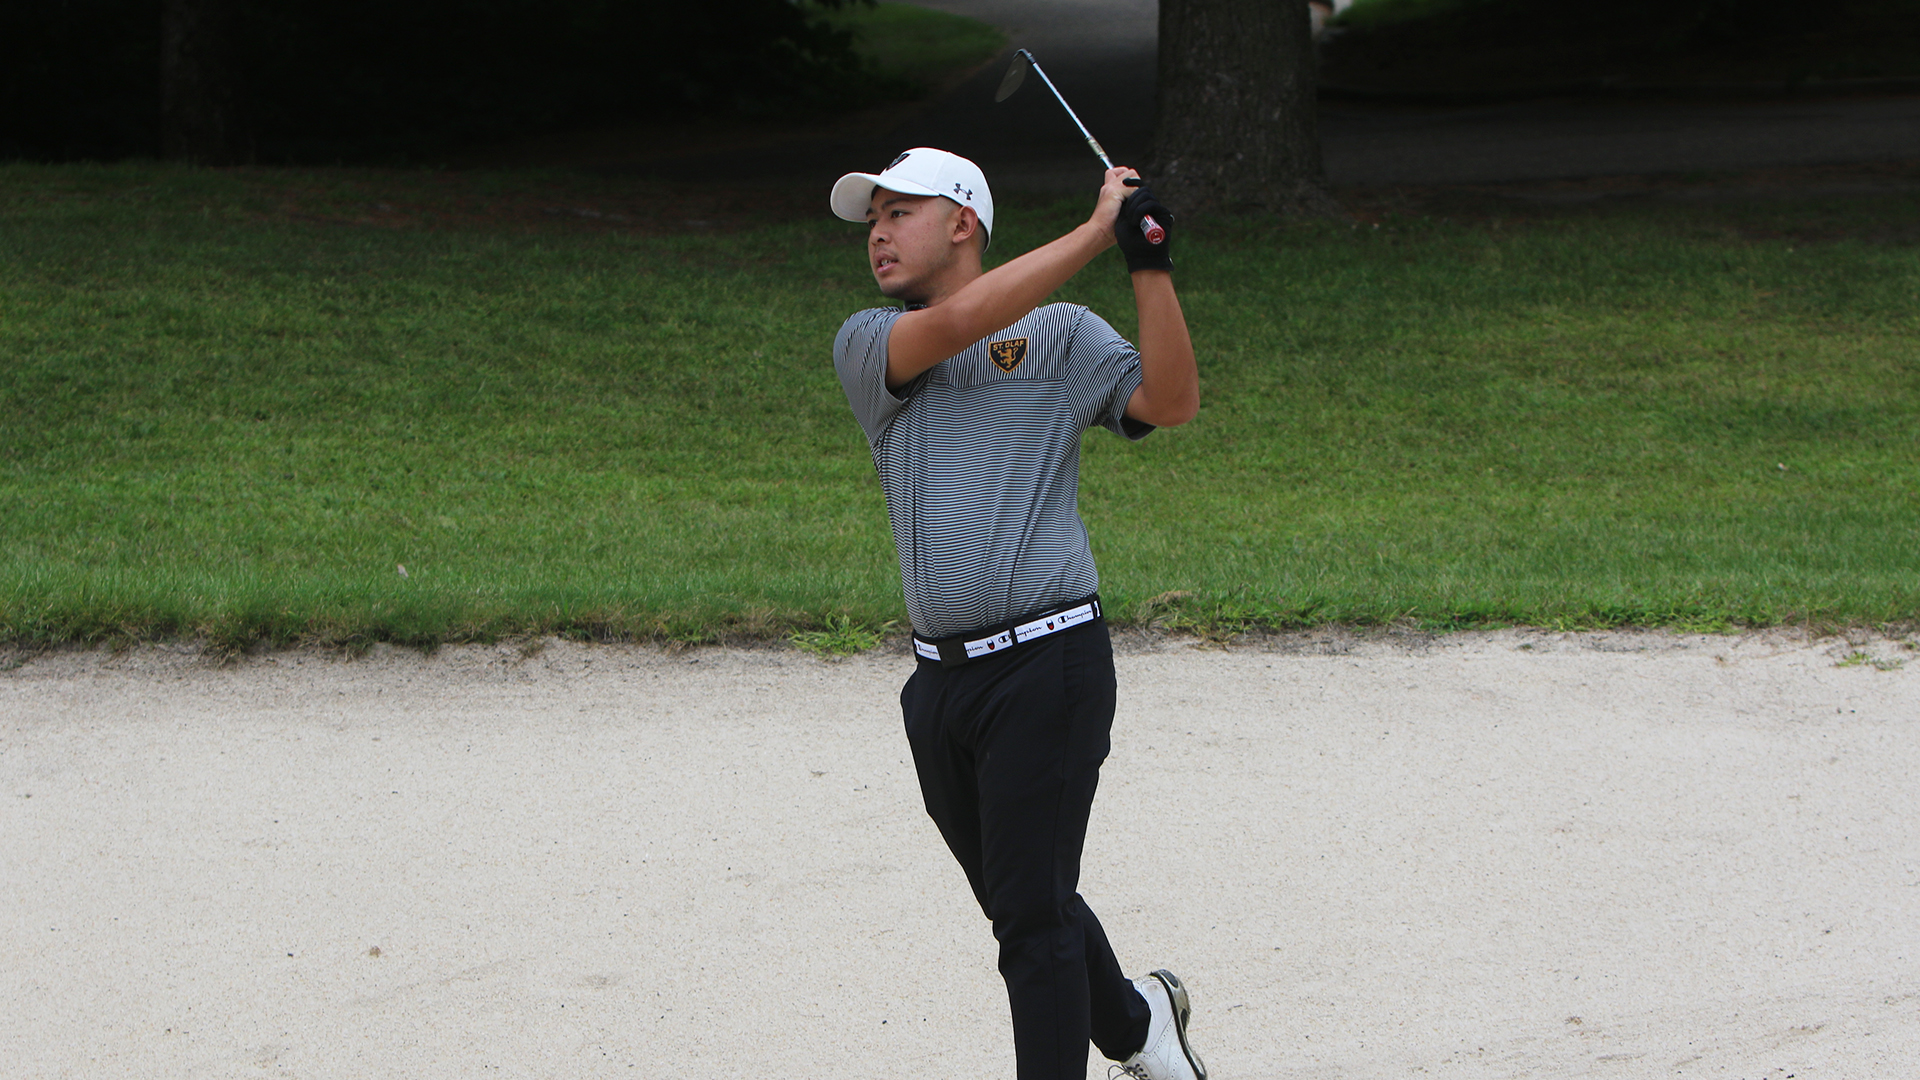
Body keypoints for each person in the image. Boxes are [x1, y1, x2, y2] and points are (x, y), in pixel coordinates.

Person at [828, 147, 1205, 1080]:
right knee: (1026, 898)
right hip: (940, 687)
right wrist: (1093, 230)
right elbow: (961, 321)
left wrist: (1147, 265)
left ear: (962, 221)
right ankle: (1137, 1022)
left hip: (1052, 663)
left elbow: (1172, 401)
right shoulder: (869, 343)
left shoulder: (1065, 336)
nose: (876, 232)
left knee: (1033, 921)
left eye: (898, 212)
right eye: (871, 218)